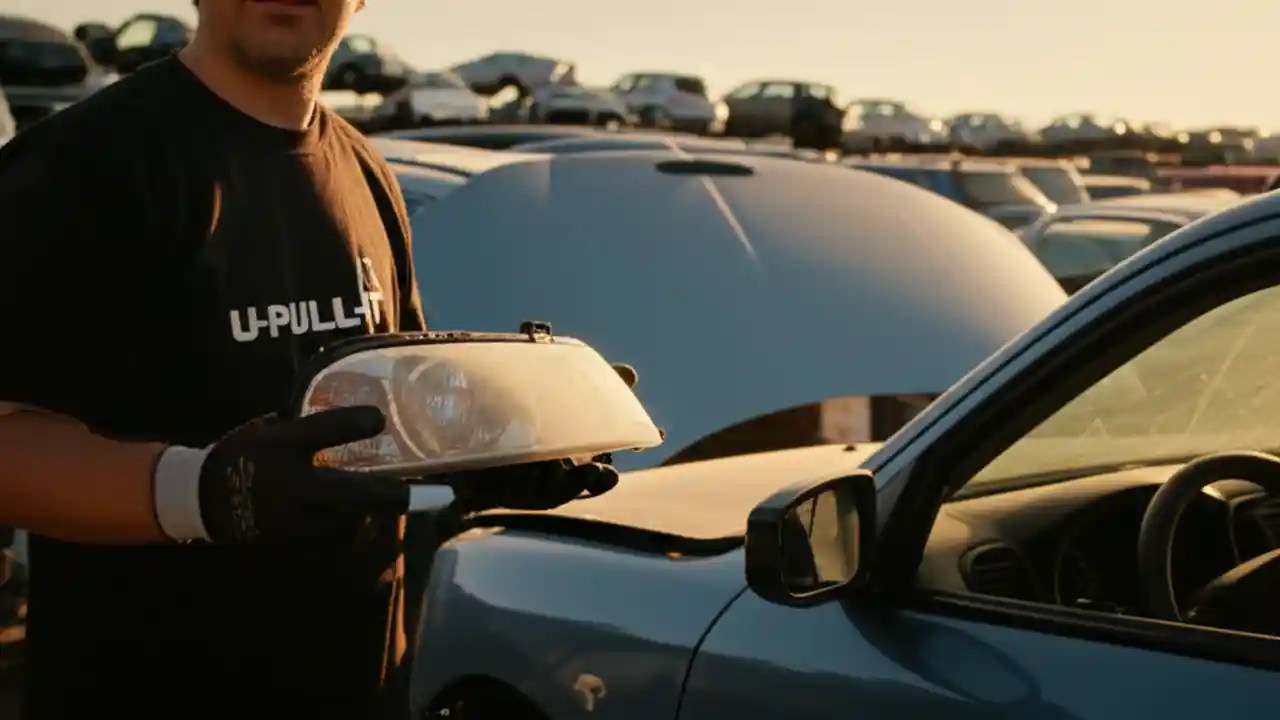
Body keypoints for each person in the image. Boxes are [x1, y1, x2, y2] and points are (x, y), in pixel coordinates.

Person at [0, 1, 617, 717]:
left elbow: (384, 414)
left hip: (358, 681)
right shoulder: (82, 164)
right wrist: (206, 491)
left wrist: (488, 452)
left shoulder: (366, 171)